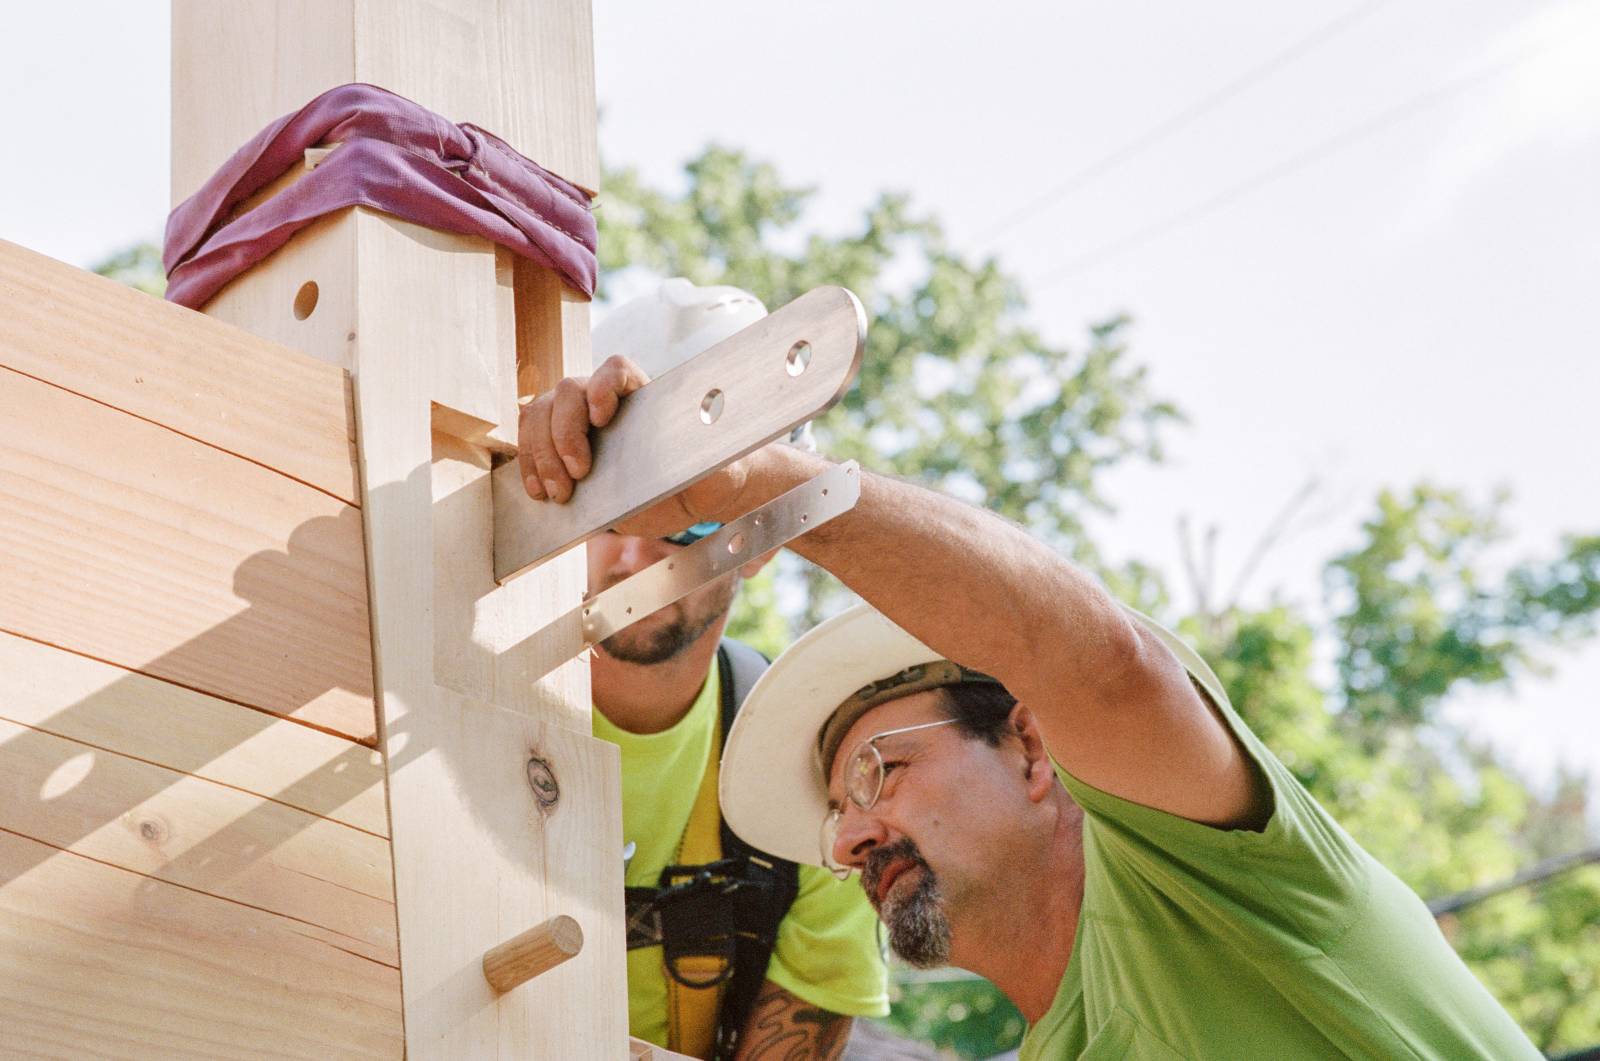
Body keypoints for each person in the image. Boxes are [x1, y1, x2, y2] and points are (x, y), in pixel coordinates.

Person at [518, 351, 1544, 1060]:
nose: (850, 838)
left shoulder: (1216, 890)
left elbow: (1097, 662)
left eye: (879, 771)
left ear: (1033, 747)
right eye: (837, 813)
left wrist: (757, 486)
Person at [520, 280, 887, 1060]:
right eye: (611, 508)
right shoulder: (472, 695)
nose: (636, 554)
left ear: (763, 538)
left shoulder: (809, 776)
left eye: (688, 518)